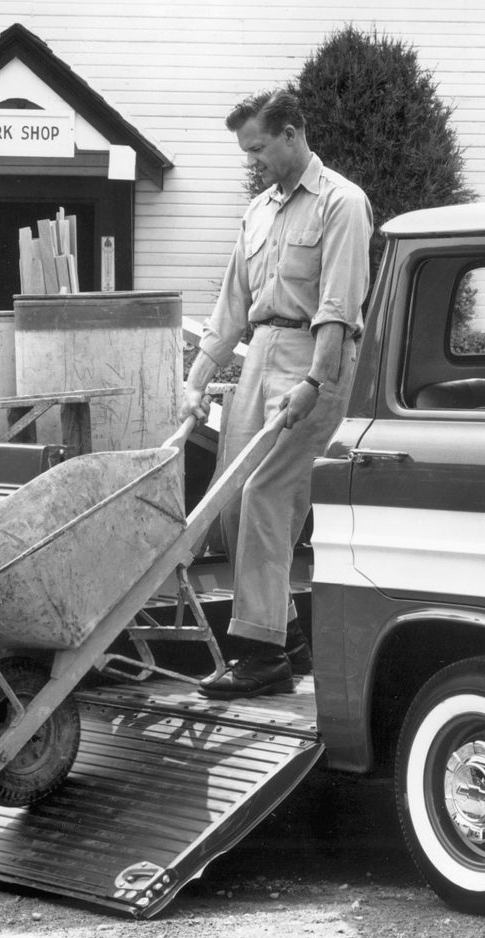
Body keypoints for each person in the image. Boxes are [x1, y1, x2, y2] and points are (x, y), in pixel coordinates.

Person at [181, 88, 372, 698]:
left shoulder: (342, 204)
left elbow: (339, 308)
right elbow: (232, 303)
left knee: (268, 495)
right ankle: (285, 638)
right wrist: (197, 377)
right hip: (260, 356)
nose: (252, 161)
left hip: (315, 362)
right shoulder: (258, 210)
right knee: (232, 497)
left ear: (291, 135)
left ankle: (259, 656)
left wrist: (317, 382)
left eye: (258, 148)